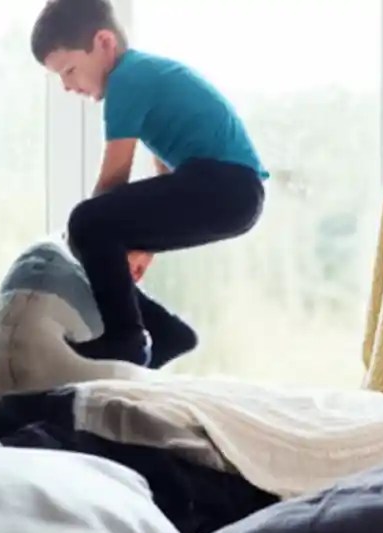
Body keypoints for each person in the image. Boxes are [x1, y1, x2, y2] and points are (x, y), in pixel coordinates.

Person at [30, 0, 268, 367]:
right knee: (96, 232)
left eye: (70, 70)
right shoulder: (144, 76)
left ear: (104, 43)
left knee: (87, 223)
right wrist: (141, 243)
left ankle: (126, 338)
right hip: (226, 190)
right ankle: (166, 333)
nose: (67, 86)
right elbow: (165, 178)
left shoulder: (127, 78)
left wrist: (83, 236)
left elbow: (114, 176)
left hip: (224, 185)